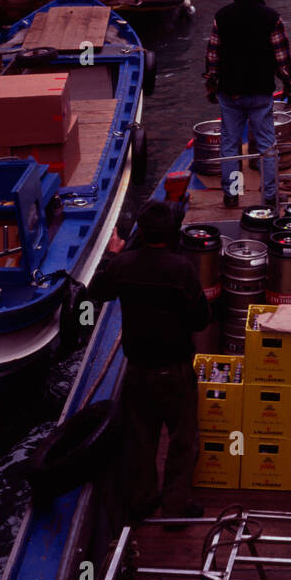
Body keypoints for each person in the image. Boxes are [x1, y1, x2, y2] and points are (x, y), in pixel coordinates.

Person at [92, 199, 209, 525]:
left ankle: (142, 501)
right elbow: (201, 319)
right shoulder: (182, 269)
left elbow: (97, 291)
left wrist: (112, 254)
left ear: (141, 232)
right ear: (171, 233)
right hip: (174, 371)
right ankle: (175, 507)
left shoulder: (123, 266)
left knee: (142, 439)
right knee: (182, 439)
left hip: (137, 370)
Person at [204, 0, 291, 208]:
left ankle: (232, 194)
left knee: (230, 144)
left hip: (230, 92)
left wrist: (211, 85)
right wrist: (288, 85)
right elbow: (282, 60)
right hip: (259, 91)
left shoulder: (221, 17)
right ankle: (268, 196)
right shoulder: (271, 17)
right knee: (266, 145)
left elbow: (213, 57)